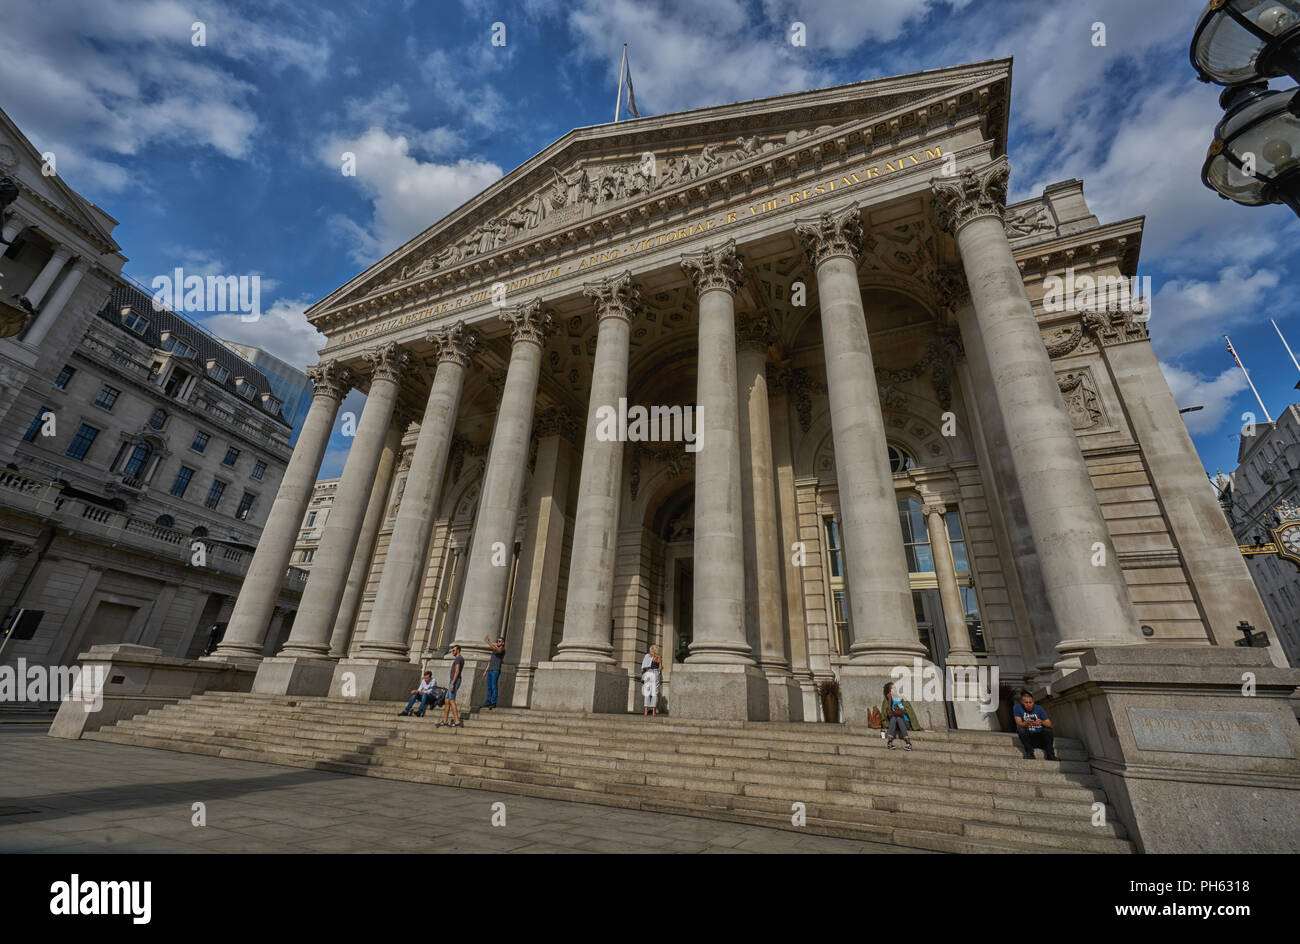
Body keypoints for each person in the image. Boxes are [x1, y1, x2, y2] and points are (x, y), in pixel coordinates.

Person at [1013, 691, 1056, 760]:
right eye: (1026, 702)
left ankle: (1050, 755)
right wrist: (1027, 723)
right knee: (1020, 729)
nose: (1029, 704)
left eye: (1030, 702)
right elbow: (1018, 723)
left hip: (1040, 738)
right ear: (1022, 702)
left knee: (1048, 730)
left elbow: (1050, 724)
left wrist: (1041, 722)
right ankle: (1030, 754)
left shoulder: (1039, 708)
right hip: (1029, 738)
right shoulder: (1017, 707)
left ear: (1033, 702)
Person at [880, 681, 921, 751]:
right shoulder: (886, 701)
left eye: (895, 688)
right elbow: (889, 714)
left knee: (898, 717)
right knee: (895, 718)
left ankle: (893, 741)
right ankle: (906, 743)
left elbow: (906, 711)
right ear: (889, 691)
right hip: (895, 724)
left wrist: (897, 712)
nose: (895, 689)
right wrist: (890, 700)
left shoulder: (902, 698)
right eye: (893, 688)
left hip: (906, 723)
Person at [438, 645, 465, 728]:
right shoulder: (459, 659)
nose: (452, 652)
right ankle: (445, 721)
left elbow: (457, 671)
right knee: (446, 700)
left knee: (451, 700)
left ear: (458, 650)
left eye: (454, 650)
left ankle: (457, 721)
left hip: (455, 681)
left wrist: (453, 683)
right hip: (453, 680)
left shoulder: (458, 659)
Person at [483, 635, 505, 709]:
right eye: (497, 641)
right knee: (489, 687)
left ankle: (494, 702)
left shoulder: (502, 650)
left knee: (494, 686)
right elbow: (490, 661)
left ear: (502, 643)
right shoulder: (494, 650)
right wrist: (486, 670)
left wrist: (489, 642)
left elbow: (497, 649)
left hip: (495, 670)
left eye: (499, 641)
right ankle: (487, 702)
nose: (497, 642)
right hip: (490, 670)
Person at [641, 645, 663, 717]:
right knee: (654, 692)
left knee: (647, 692)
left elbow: (643, 667)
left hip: (648, 674)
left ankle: (645, 711)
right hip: (655, 674)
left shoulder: (647, 656)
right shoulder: (659, 658)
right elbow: (660, 668)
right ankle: (653, 712)